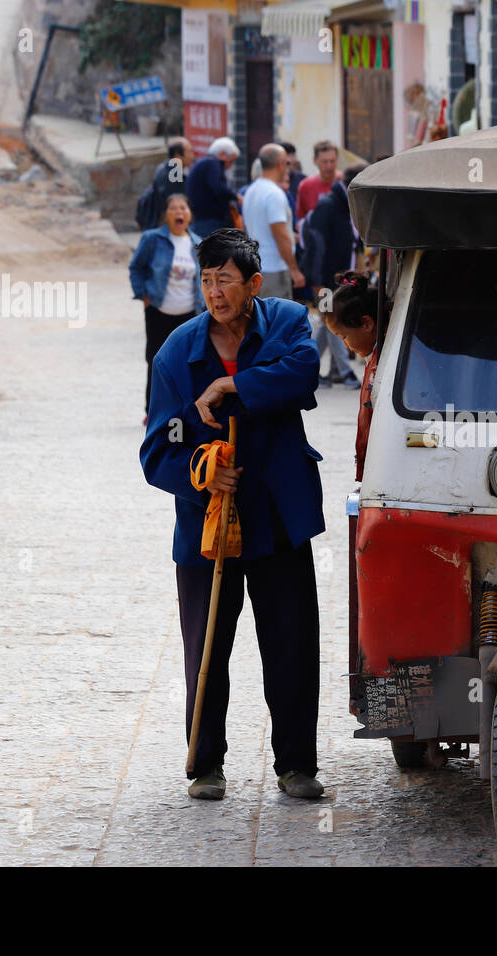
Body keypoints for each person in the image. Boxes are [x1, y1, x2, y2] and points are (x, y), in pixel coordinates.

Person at [140, 228, 326, 801]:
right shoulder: (176, 352)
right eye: (207, 278)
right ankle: (205, 765)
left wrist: (234, 384)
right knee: (206, 647)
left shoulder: (289, 321)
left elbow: (302, 375)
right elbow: (157, 451)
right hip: (208, 527)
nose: (215, 291)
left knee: (291, 643)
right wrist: (201, 470)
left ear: (254, 284)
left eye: (226, 279)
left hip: (278, 518)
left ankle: (296, 765)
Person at [128, 193, 204, 417]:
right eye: (173, 208)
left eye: (183, 208)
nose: (179, 212)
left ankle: (185, 409)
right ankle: (152, 411)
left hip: (190, 313)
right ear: (166, 215)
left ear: (190, 215)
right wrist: (142, 295)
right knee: (156, 360)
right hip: (159, 311)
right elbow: (136, 268)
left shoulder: (198, 244)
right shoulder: (152, 239)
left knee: (188, 362)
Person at [303, 162, 367, 388]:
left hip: (339, 277)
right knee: (333, 321)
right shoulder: (329, 205)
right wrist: (318, 281)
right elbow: (317, 246)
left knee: (326, 324)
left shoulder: (345, 204)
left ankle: (304, 367)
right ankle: (347, 373)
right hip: (327, 278)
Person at [323, 271, 378, 481]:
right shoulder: (374, 358)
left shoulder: (381, 363)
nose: (345, 345)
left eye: (343, 336)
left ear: (366, 324)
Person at [241, 143, 305, 301]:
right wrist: (294, 270)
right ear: (281, 164)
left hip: (256, 265)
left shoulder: (251, 190)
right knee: (278, 321)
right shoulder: (274, 193)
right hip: (274, 268)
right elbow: (281, 235)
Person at [185, 137, 242, 238]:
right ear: (222, 154)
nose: (230, 166)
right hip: (209, 222)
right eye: (231, 161)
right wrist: (236, 197)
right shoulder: (212, 163)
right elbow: (219, 188)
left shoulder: (204, 163)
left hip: (203, 220)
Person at [139, 137, 193, 230]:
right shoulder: (174, 176)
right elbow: (176, 206)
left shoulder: (164, 167)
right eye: (189, 152)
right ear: (177, 155)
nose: (192, 156)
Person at [295, 140, 339, 221]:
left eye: (332, 161)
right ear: (315, 160)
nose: (329, 166)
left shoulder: (346, 183)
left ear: (337, 160)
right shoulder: (305, 186)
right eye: (324, 162)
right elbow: (301, 219)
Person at [280, 141, 305, 216]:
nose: (291, 160)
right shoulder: (273, 181)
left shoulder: (302, 179)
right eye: (288, 155)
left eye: (293, 155)